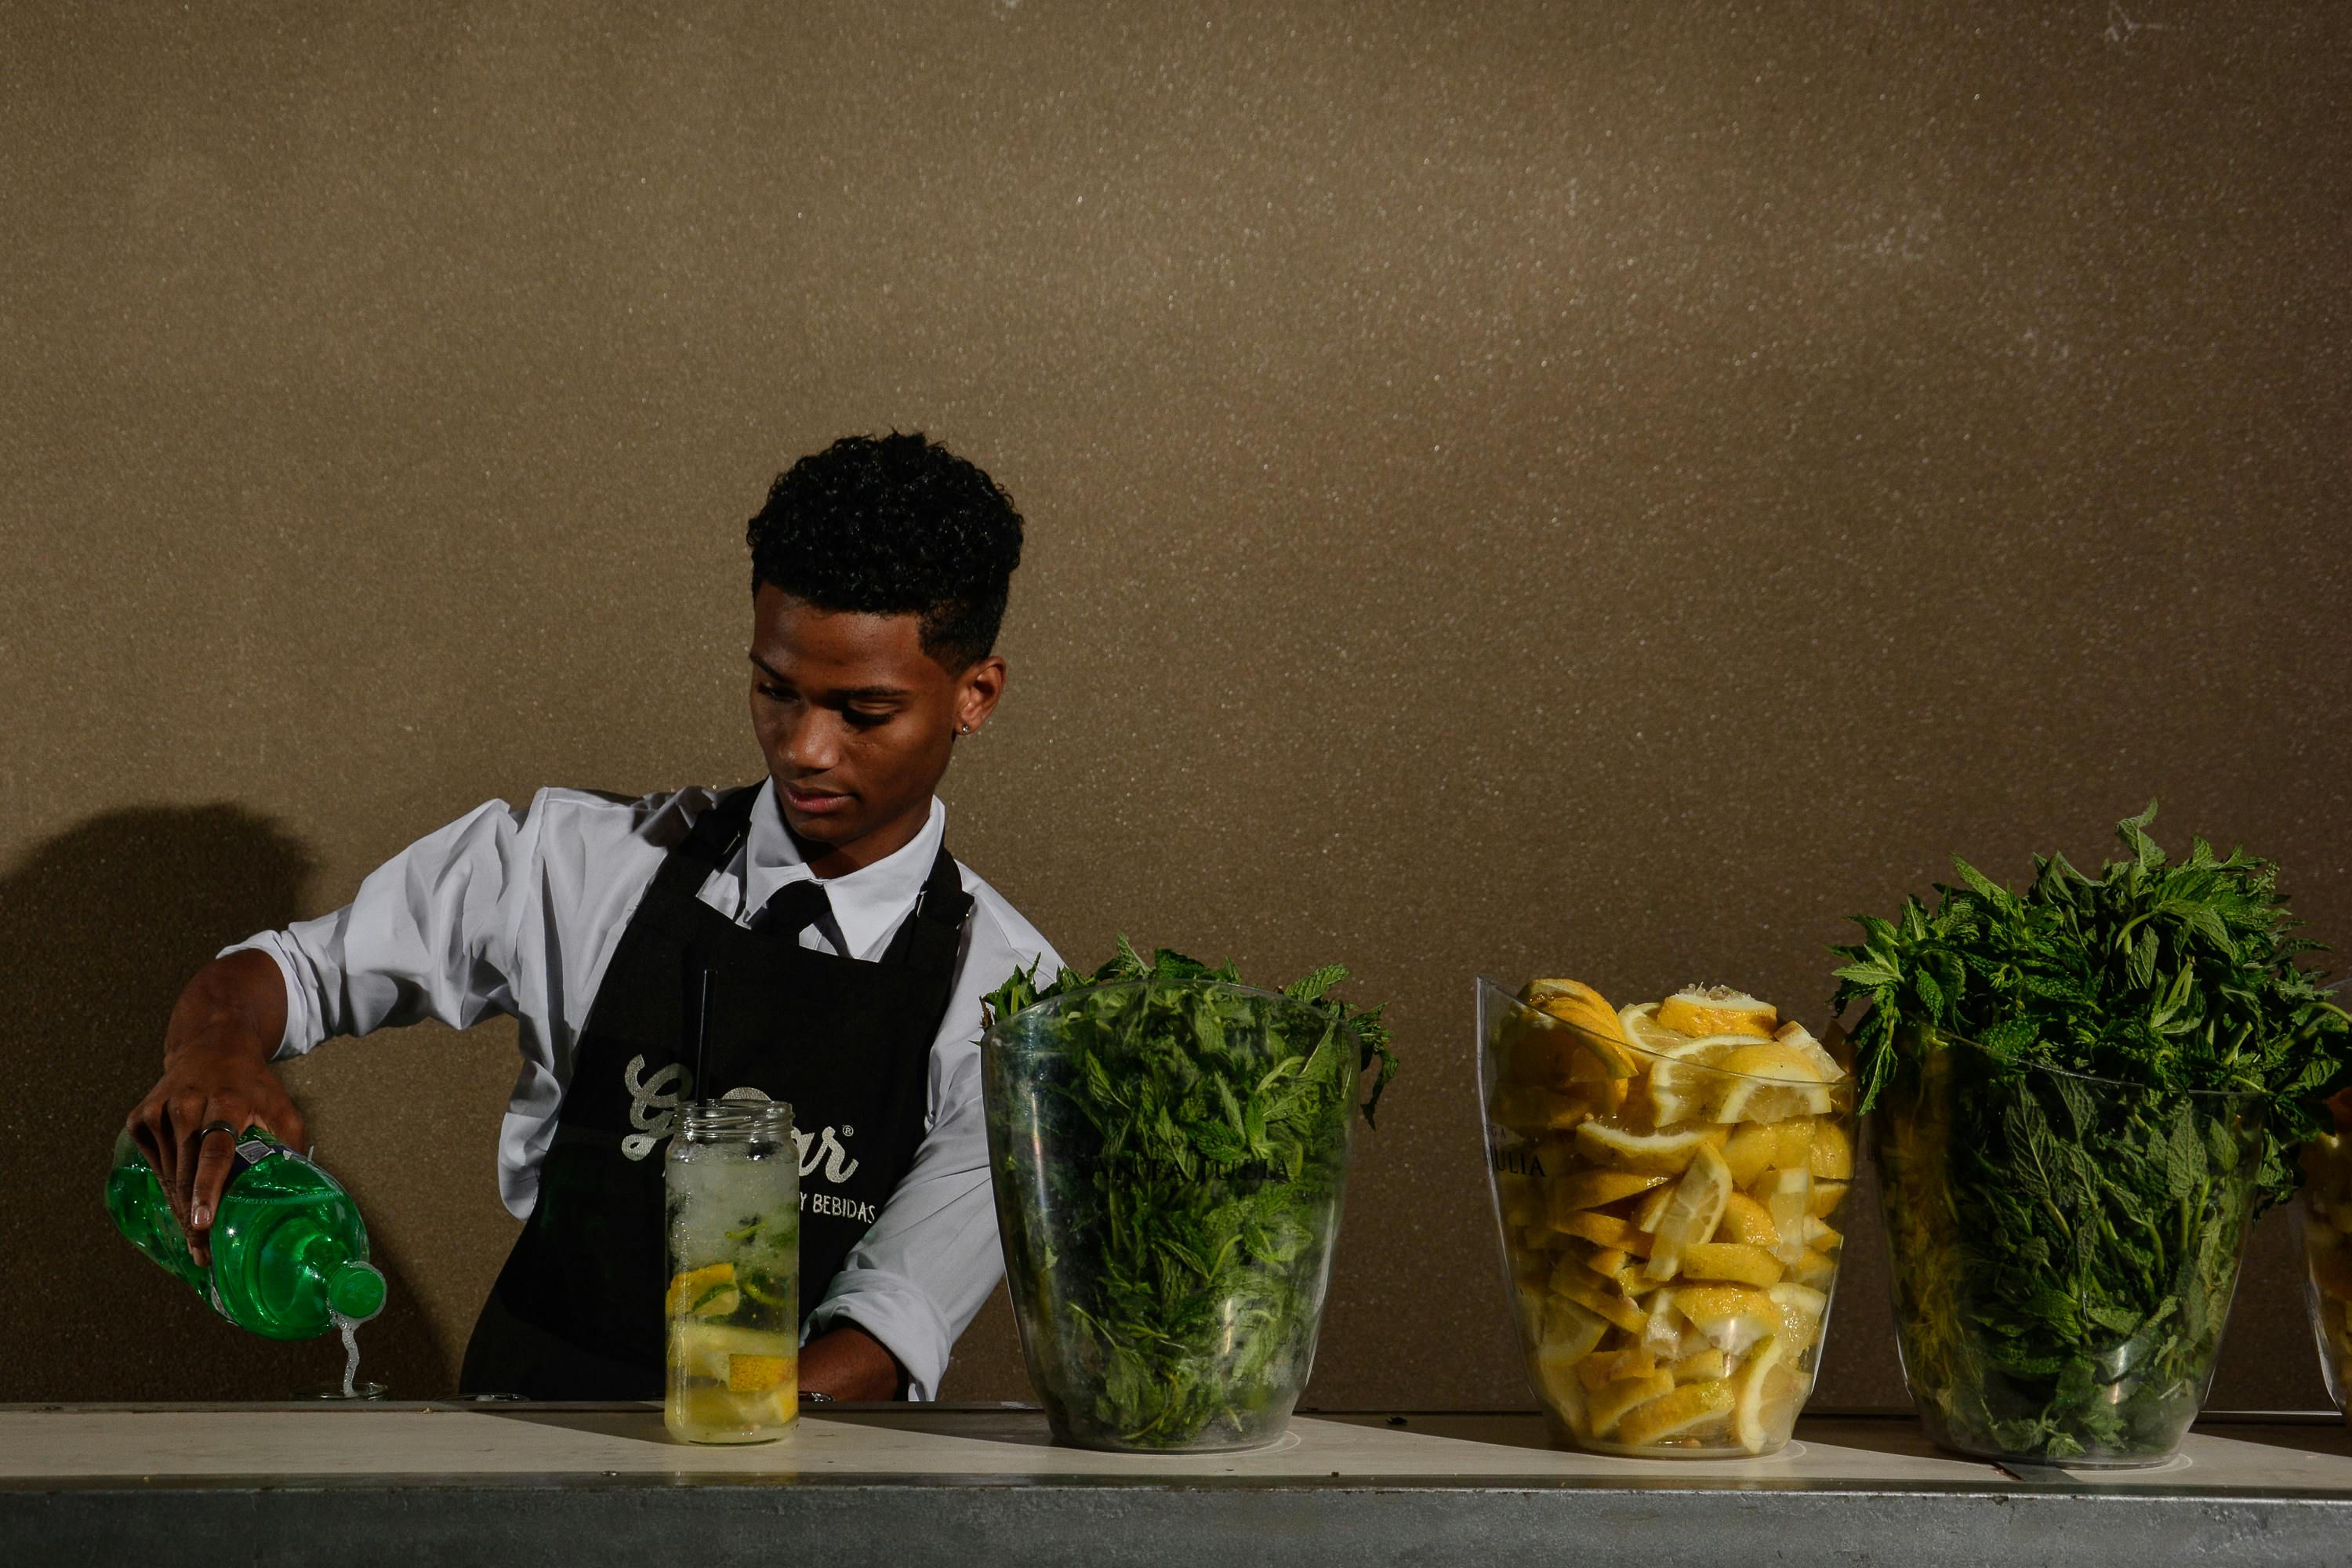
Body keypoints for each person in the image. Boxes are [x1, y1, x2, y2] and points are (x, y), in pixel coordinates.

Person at [123, 432, 1060, 1402]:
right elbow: (287, 977)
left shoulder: (1015, 1003)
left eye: (863, 712)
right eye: (776, 690)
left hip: (788, 1472)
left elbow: (887, 1328)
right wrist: (214, 1048)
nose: (806, 748)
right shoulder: (573, 862)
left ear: (974, 696)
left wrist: (684, 1470)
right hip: (525, 1432)